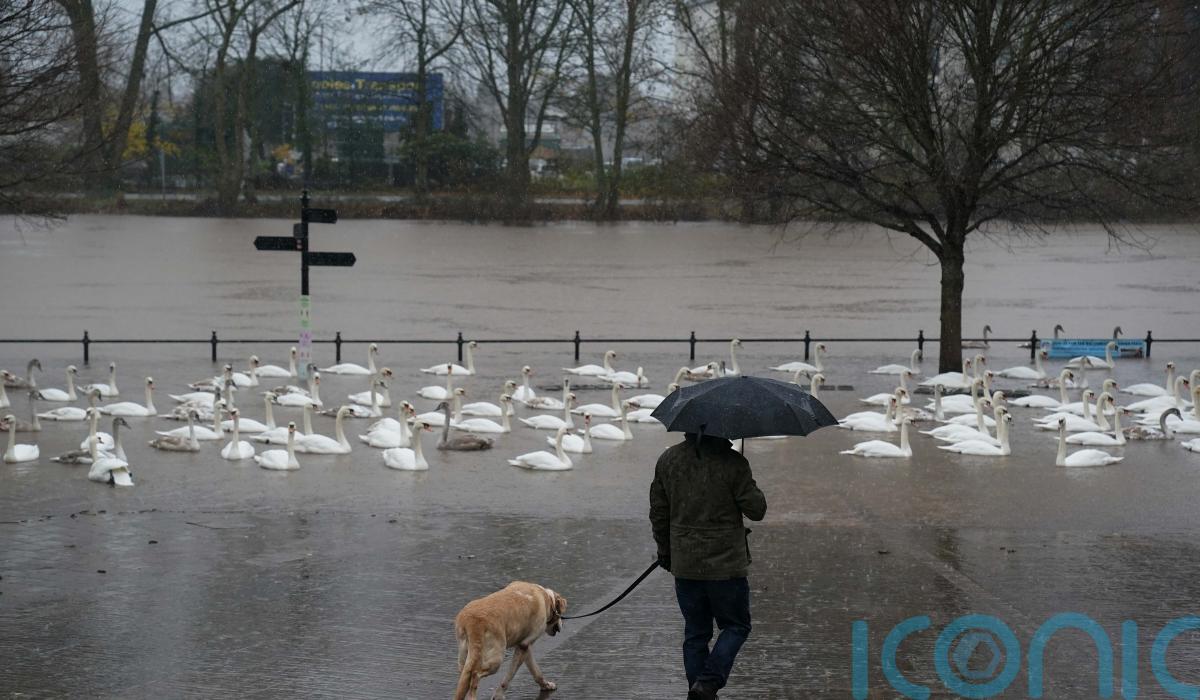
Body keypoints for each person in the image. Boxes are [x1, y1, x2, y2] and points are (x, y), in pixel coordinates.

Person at [649, 432, 767, 700]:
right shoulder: (734, 463)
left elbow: (658, 511)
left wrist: (666, 552)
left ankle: (698, 691)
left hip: (686, 564)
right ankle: (708, 683)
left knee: (696, 633)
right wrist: (746, 481)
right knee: (736, 626)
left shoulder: (669, 459)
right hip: (726, 566)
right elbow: (757, 510)